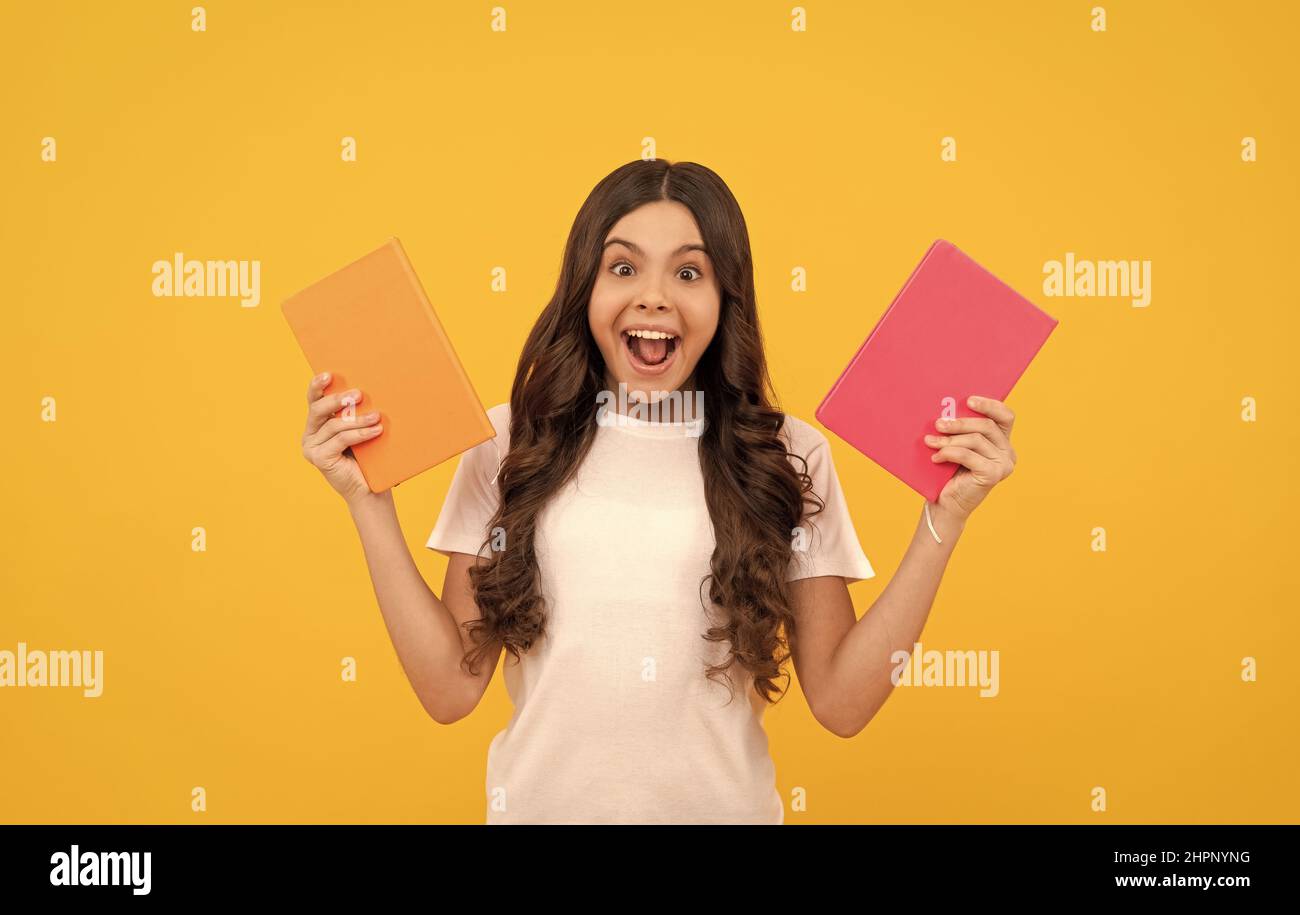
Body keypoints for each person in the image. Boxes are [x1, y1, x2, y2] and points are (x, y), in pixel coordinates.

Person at [297, 159, 1019, 824]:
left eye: (688, 273)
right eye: (622, 267)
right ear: (587, 289)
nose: (653, 297)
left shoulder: (786, 452)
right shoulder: (510, 441)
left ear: (724, 296)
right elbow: (450, 689)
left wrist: (944, 519)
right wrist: (369, 500)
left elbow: (842, 699)